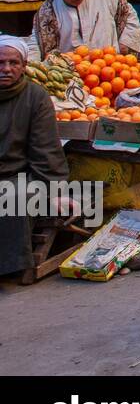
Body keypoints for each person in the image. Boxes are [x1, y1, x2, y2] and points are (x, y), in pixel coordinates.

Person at [0, 35, 68, 277]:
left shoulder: (35, 97)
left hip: (19, 174)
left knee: (14, 198)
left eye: (13, 63)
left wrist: (54, 189)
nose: (6, 69)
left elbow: (46, 149)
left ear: (24, 66)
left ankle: (10, 266)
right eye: (1, 63)